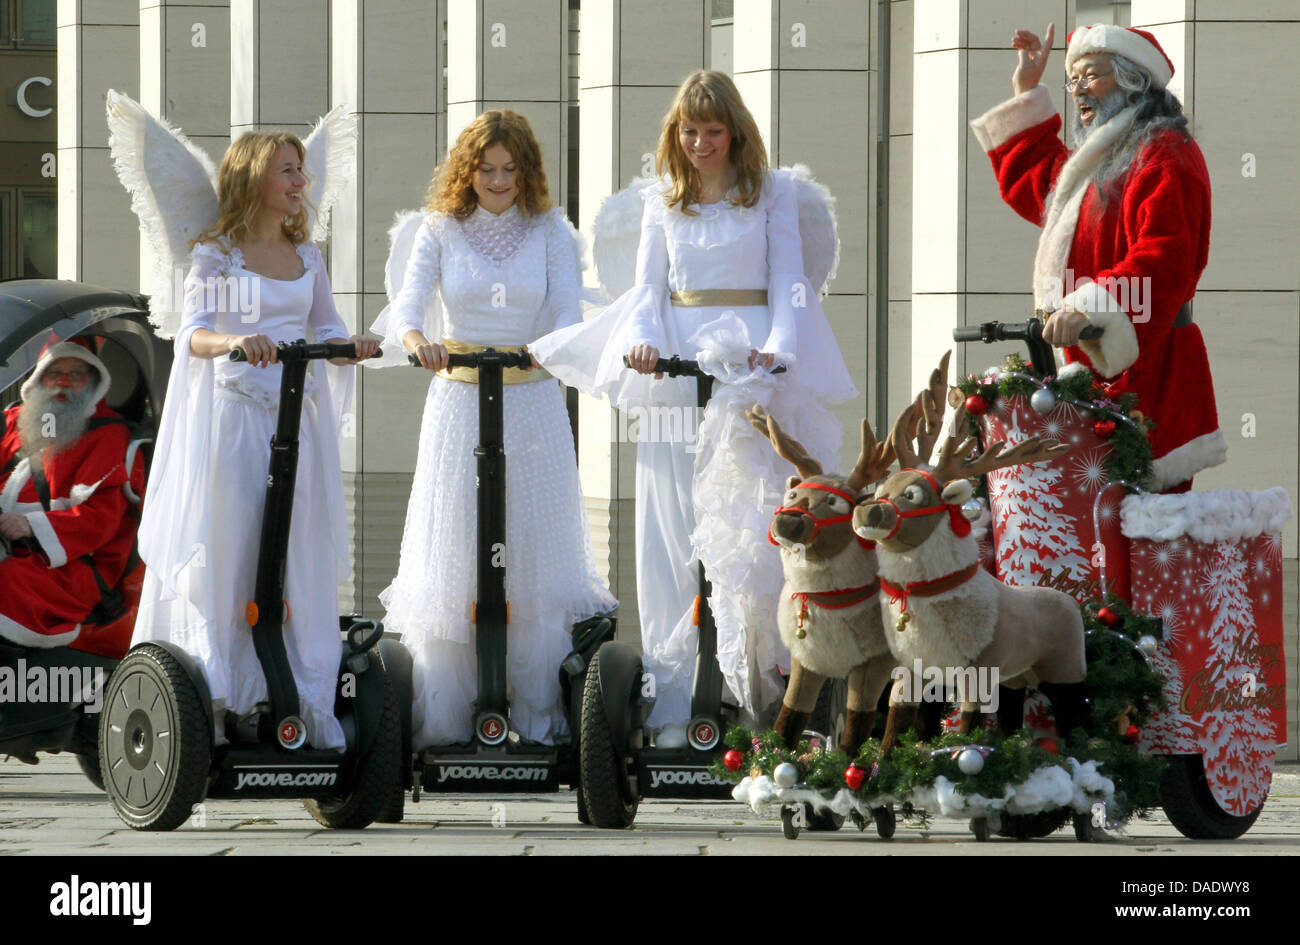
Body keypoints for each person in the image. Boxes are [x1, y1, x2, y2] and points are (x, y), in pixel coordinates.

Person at [530, 71, 856, 742]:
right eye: (689, 130)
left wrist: (776, 352)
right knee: (675, 525)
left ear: (734, 132)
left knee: (751, 525)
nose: (701, 142)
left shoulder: (774, 195)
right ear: (675, 134)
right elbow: (649, 288)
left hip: (751, 371)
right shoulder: (663, 200)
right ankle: (679, 699)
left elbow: (791, 284)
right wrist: (645, 341)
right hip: (678, 366)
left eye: (712, 130)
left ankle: (760, 692)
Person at [370, 110, 616, 748]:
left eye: (510, 169)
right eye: (486, 169)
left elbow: (565, 300)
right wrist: (418, 338)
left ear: (526, 170)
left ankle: (534, 717)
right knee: (456, 554)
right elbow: (409, 300)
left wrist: (551, 343)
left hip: (530, 398)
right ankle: (450, 718)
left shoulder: (550, 231)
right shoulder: (441, 228)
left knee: (530, 557)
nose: (498, 180)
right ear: (467, 169)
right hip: (457, 398)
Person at [130, 131, 378, 750]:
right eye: (288, 172)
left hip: (295, 426)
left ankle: (300, 700)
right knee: (234, 554)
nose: (300, 183)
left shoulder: (307, 255)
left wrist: (354, 347)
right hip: (236, 425)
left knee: (298, 556)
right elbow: (194, 334)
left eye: (301, 172)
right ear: (253, 182)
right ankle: (218, 702)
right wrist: (236, 342)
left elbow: (325, 326)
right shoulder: (221, 255)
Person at [970, 23, 1225, 492]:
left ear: (1132, 80)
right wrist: (1026, 90)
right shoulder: (1106, 160)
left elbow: (1164, 256)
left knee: (1137, 523)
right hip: (1087, 363)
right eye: (1073, 80)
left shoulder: (1166, 155)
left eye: (1091, 74)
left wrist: (1089, 306)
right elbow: (1046, 185)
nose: (1077, 89)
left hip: (1147, 366)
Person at [0, 338, 145, 657]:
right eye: (55, 373)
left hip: (73, 564)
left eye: (76, 373)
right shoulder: (17, 422)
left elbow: (100, 519)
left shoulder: (108, 435)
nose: (63, 382)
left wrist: (29, 525)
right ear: (39, 379)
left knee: (6, 581)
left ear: (93, 382)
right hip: (9, 541)